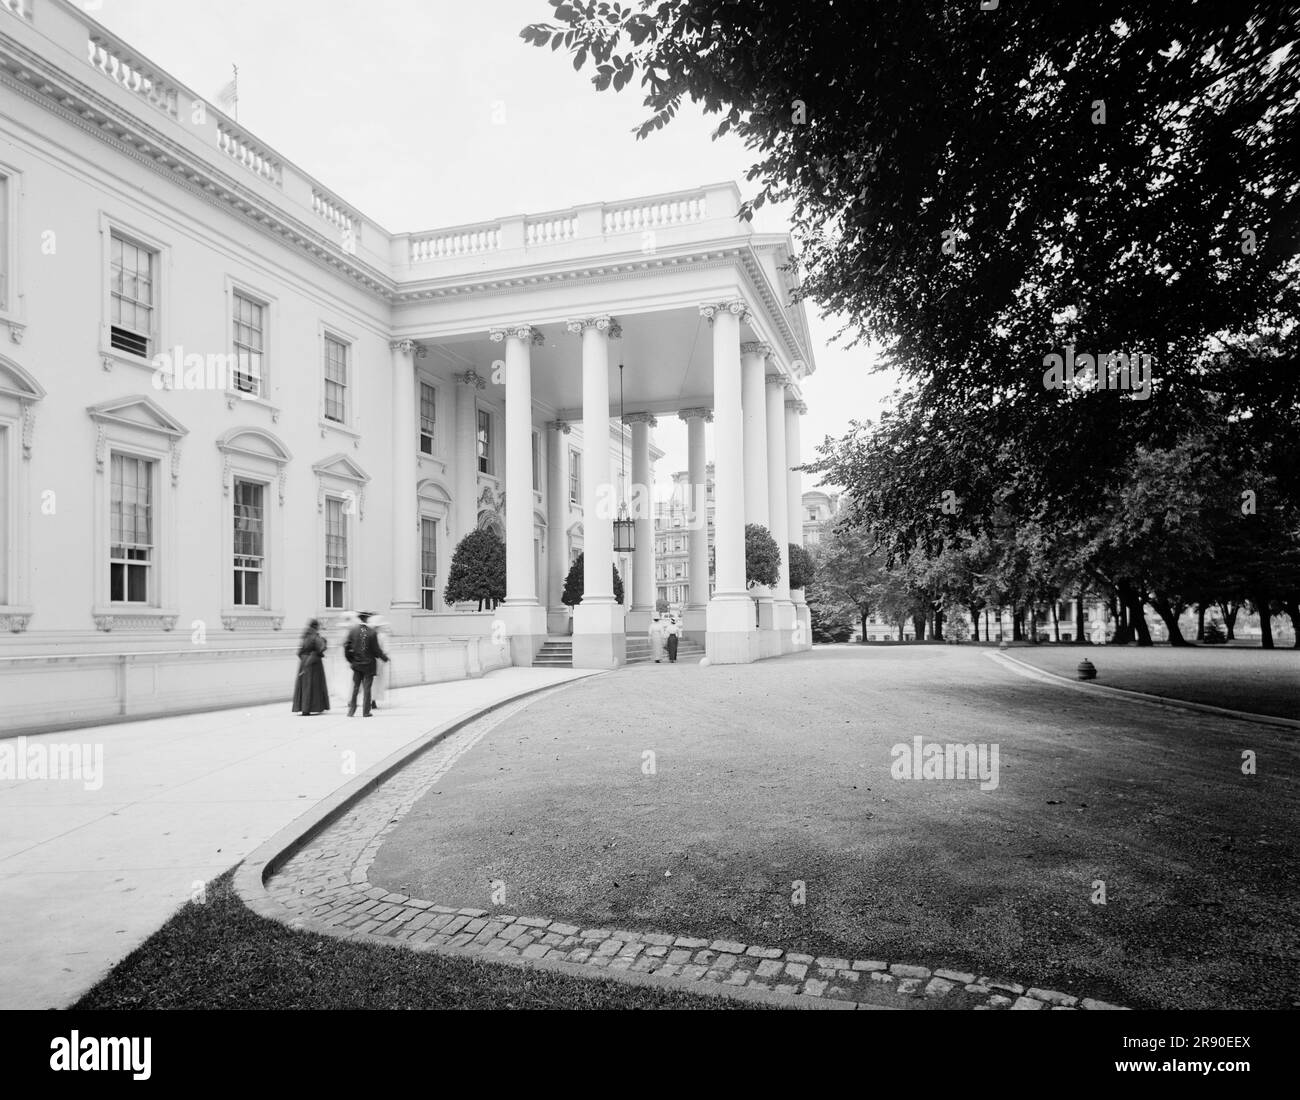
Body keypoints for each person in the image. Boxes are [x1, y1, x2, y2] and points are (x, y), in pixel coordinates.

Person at [344, 610, 389, 717]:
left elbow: (347, 647)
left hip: (357, 664)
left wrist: (351, 660)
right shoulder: (372, 632)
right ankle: (366, 711)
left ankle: (351, 711)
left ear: (359, 619)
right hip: (369, 664)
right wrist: (385, 658)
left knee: (355, 687)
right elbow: (376, 650)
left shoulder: (353, 631)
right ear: (367, 619)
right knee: (367, 688)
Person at [292, 619, 329, 716]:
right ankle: (309, 708)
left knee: (304, 686)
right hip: (313, 663)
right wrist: (324, 642)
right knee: (312, 686)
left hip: (303, 662)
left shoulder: (305, 636)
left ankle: (304, 709)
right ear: (316, 626)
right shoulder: (315, 636)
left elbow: (299, 652)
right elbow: (321, 647)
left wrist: (304, 659)